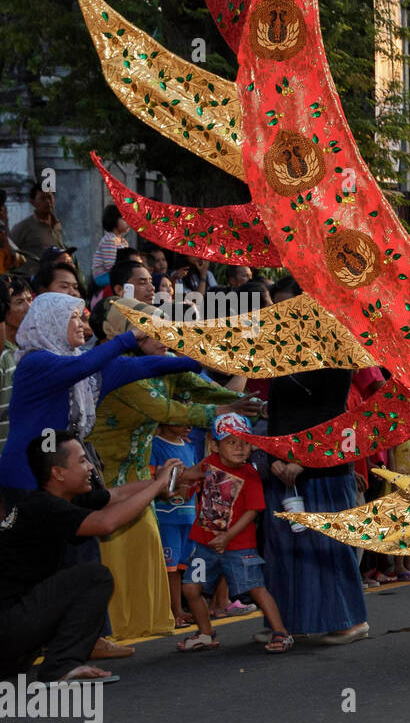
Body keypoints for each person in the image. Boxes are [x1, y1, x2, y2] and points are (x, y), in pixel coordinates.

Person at [88, 302, 247, 640]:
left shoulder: (164, 366)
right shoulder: (118, 368)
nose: (162, 334)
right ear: (124, 330)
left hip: (139, 477)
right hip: (105, 475)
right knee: (112, 549)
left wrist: (246, 405)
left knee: (144, 541)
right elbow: (167, 410)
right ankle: (108, 630)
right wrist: (223, 412)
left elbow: (202, 388)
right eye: (149, 328)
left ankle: (141, 623)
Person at [0, 431, 192, 684]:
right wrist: (158, 485)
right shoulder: (43, 507)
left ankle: (53, 660)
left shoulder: (59, 500)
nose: (91, 465)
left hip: (13, 634)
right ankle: (60, 667)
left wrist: (169, 478)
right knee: (94, 577)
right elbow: (106, 524)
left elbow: (119, 495)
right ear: (58, 473)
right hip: (8, 629)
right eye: (81, 461)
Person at [0, 292, 199, 496]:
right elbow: (81, 367)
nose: (81, 324)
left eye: (81, 317)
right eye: (72, 317)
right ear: (50, 321)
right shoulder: (35, 363)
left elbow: (147, 365)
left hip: (62, 481)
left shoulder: (88, 367)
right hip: (24, 477)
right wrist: (130, 337)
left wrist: (201, 360)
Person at [260, 370, 369, 642]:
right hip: (283, 468)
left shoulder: (336, 355)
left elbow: (333, 415)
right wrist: (272, 458)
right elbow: (275, 413)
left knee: (328, 545)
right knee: (284, 547)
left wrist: (306, 460)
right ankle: (285, 623)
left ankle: (350, 620)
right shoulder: (280, 353)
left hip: (326, 469)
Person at [178, 412, 292, 654]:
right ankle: (206, 633)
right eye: (231, 442)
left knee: (255, 588)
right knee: (191, 588)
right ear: (214, 445)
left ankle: (281, 632)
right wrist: (180, 474)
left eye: (244, 442)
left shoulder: (250, 474)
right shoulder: (209, 463)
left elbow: (253, 511)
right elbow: (188, 475)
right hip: (205, 544)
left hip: (239, 546)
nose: (240, 448)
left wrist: (228, 536)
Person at [151, 423, 201, 626]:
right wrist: (176, 483)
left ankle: (187, 608)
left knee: (184, 565)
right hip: (167, 517)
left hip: (188, 516)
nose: (188, 424)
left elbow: (196, 482)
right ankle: (175, 611)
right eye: (181, 418)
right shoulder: (155, 445)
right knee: (169, 568)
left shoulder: (190, 447)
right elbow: (154, 481)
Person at [0, 274, 34, 455]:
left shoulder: (29, 349)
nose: (29, 307)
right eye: (19, 302)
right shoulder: (3, 356)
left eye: (30, 299)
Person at [7, 185, 68, 267]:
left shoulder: (57, 225)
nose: (47, 201)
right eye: (42, 198)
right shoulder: (23, 227)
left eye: (49, 197)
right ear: (33, 202)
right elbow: (9, 252)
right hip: (33, 277)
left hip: (56, 275)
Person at [91, 205, 131, 291]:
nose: (128, 222)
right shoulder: (109, 240)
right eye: (124, 219)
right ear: (114, 221)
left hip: (114, 274)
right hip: (102, 276)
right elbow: (110, 266)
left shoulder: (123, 241)